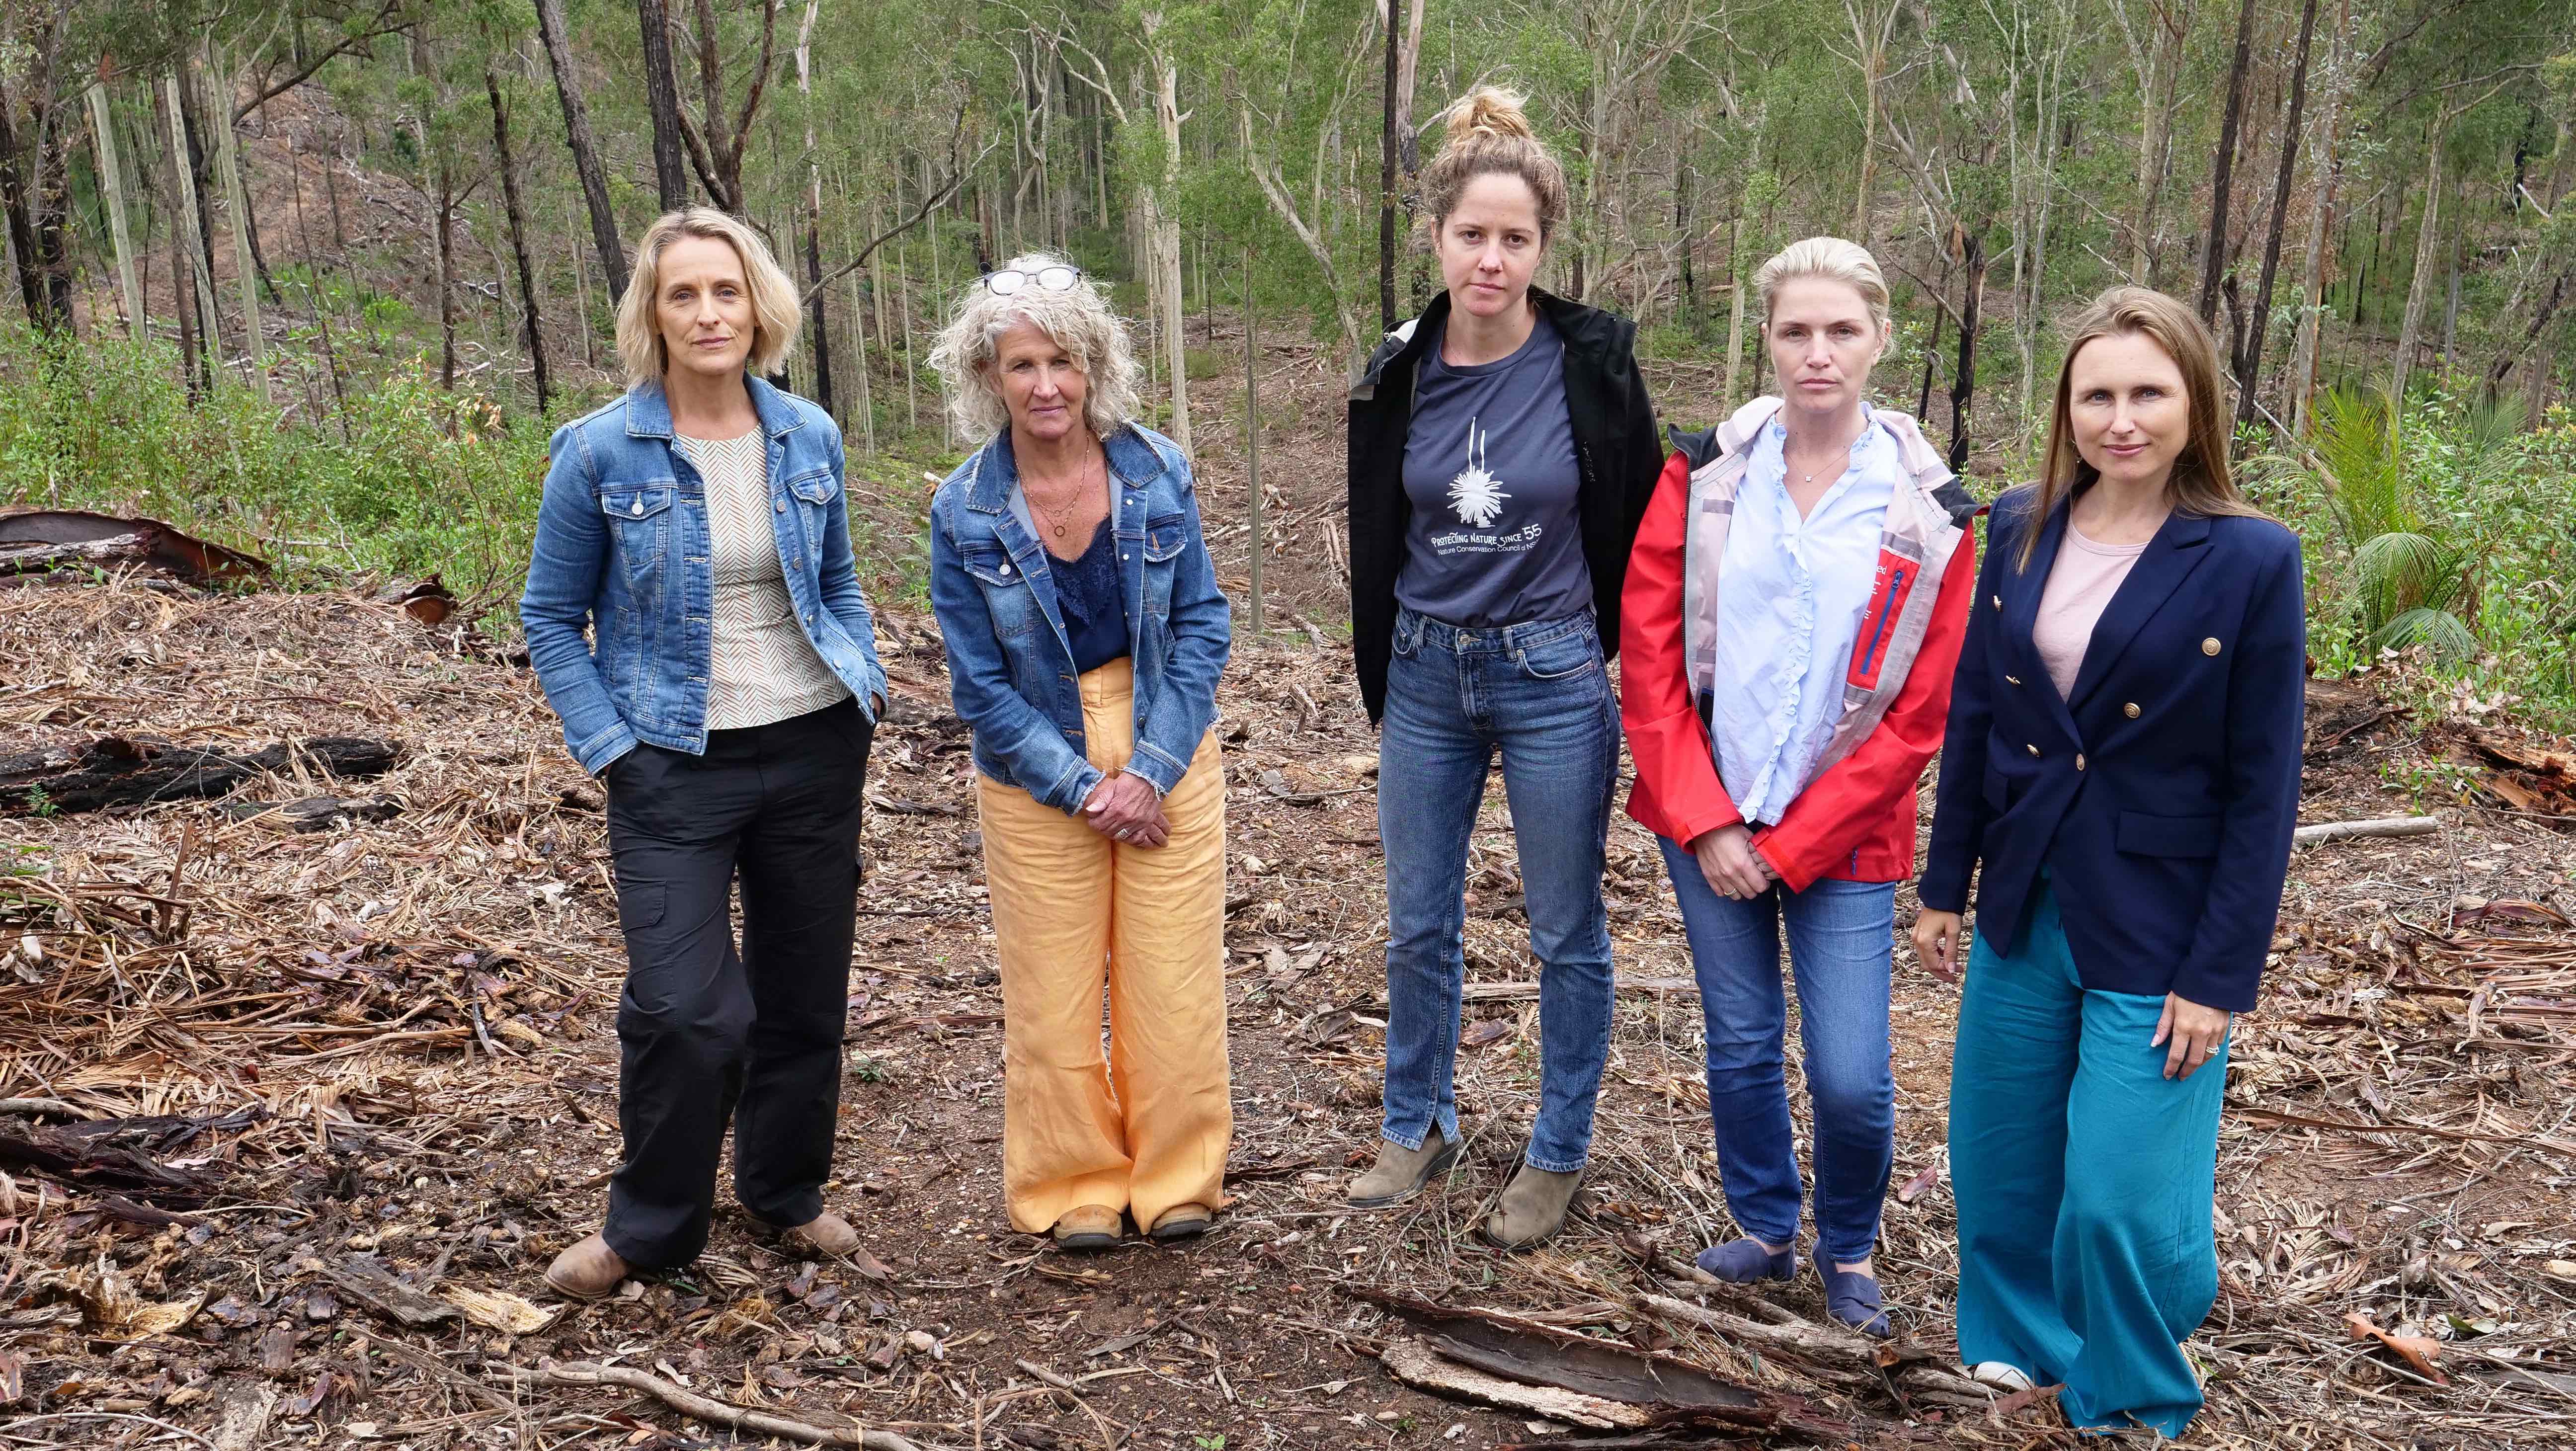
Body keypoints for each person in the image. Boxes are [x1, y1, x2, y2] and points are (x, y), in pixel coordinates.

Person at [1912, 287, 2304, 1435]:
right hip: (2027, 893)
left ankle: (2133, 1388)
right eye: (2098, 394)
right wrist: (1947, 884)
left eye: (2147, 392)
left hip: (2161, 913)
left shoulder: (2249, 558)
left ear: (2195, 403)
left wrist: (2221, 977)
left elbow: (2262, 786)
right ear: (2067, 406)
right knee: (2001, 1156)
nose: (2120, 418)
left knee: (2118, 1194)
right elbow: (1978, 712)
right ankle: (2019, 1342)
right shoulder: (2022, 523)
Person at [523, 208, 889, 1299]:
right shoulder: (598, 450)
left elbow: (835, 583)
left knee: (802, 996)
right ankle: (651, 1224)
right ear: (654, 314)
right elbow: (549, 617)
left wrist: (863, 678)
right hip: (670, 760)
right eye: (683, 294)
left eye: (724, 290)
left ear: (757, 305)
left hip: (815, 746)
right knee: (687, 1008)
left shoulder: (806, 435)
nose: (708, 312)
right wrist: (614, 752)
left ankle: (783, 1191)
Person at [1618, 238, 1976, 1336]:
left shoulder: (1935, 512)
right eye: (1795, 331)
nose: (1818, 352)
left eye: (1842, 331)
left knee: (1856, 1076)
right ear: (1767, 339)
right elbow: (1651, 653)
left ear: (1878, 340)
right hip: (1708, 814)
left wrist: (1791, 843)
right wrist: (1711, 820)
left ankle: (1849, 1244)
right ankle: (1770, 1226)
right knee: (1738, 1041)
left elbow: (1918, 715)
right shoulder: (1707, 473)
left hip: (1850, 837)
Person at [1343, 86, 1664, 1249]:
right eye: (1471, 234)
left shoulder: (1593, 361)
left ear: (1544, 246)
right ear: (1437, 236)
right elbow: (1382, 522)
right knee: (1417, 921)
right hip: (1428, 669)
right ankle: (1415, 1121)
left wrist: (1608, 651)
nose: (1492, 257)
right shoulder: (1399, 366)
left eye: (1515, 238)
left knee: (1565, 928)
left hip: (1553, 677)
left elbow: (1642, 511)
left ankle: (1557, 1146)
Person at [924, 254, 1232, 1251]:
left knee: (1172, 979)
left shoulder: (1158, 471)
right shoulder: (965, 509)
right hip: (1032, 761)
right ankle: (1075, 1185)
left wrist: (1148, 770)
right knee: (1053, 990)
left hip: (1165, 737)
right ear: (988, 378)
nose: (1045, 384)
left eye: (1062, 360)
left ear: (1094, 367)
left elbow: (1201, 629)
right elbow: (979, 686)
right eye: (1021, 365)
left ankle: (1177, 1176)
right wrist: (1085, 786)